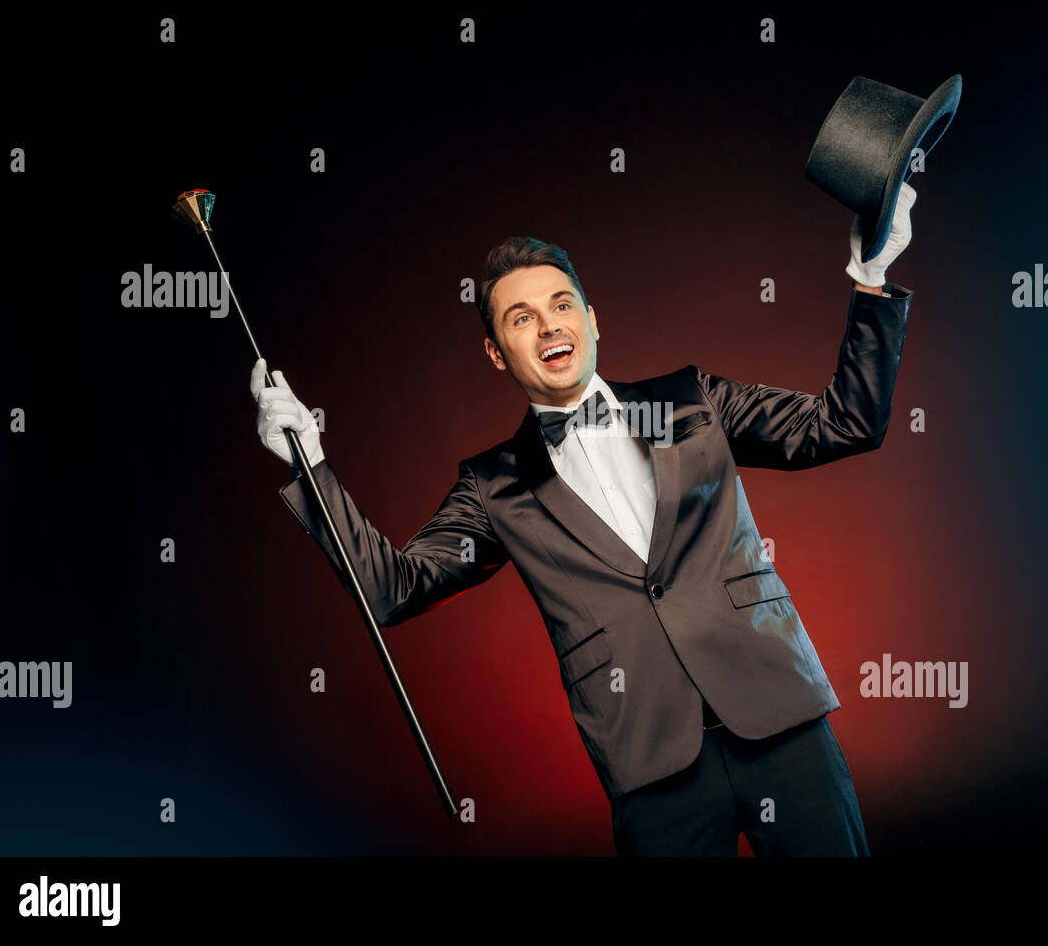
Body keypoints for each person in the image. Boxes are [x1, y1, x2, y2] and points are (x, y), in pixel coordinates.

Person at [252, 182, 916, 855]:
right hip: (650, 764)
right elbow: (392, 590)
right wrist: (309, 462)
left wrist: (871, 277)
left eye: (561, 305)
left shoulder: (695, 399)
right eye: (520, 318)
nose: (548, 327)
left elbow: (846, 422)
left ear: (592, 320)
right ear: (494, 351)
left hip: (780, 717)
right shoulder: (492, 486)